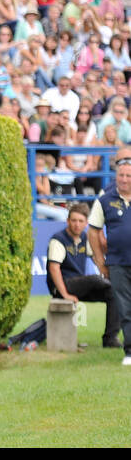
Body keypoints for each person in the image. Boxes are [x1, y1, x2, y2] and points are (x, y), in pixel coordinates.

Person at [47, 204, 123, 349]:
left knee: (114, 293)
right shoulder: (58, 239)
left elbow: (98, 259)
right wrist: (65, 294)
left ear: (86, 223)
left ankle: (110, 339)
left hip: (79, 286)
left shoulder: (84, 238)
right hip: (62, 286)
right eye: (74, 220)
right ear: (67, 221)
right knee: (95, 279)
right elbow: (54, 268)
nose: (77, 224)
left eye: (81, 221)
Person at [86, 152, 131, 365]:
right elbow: (93, 231)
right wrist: (100, 261)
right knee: (124, 306)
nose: (124, 179)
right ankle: (130, 351)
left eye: (128, 175)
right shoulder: (104, 200)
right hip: (118, 262)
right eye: (121, 175)